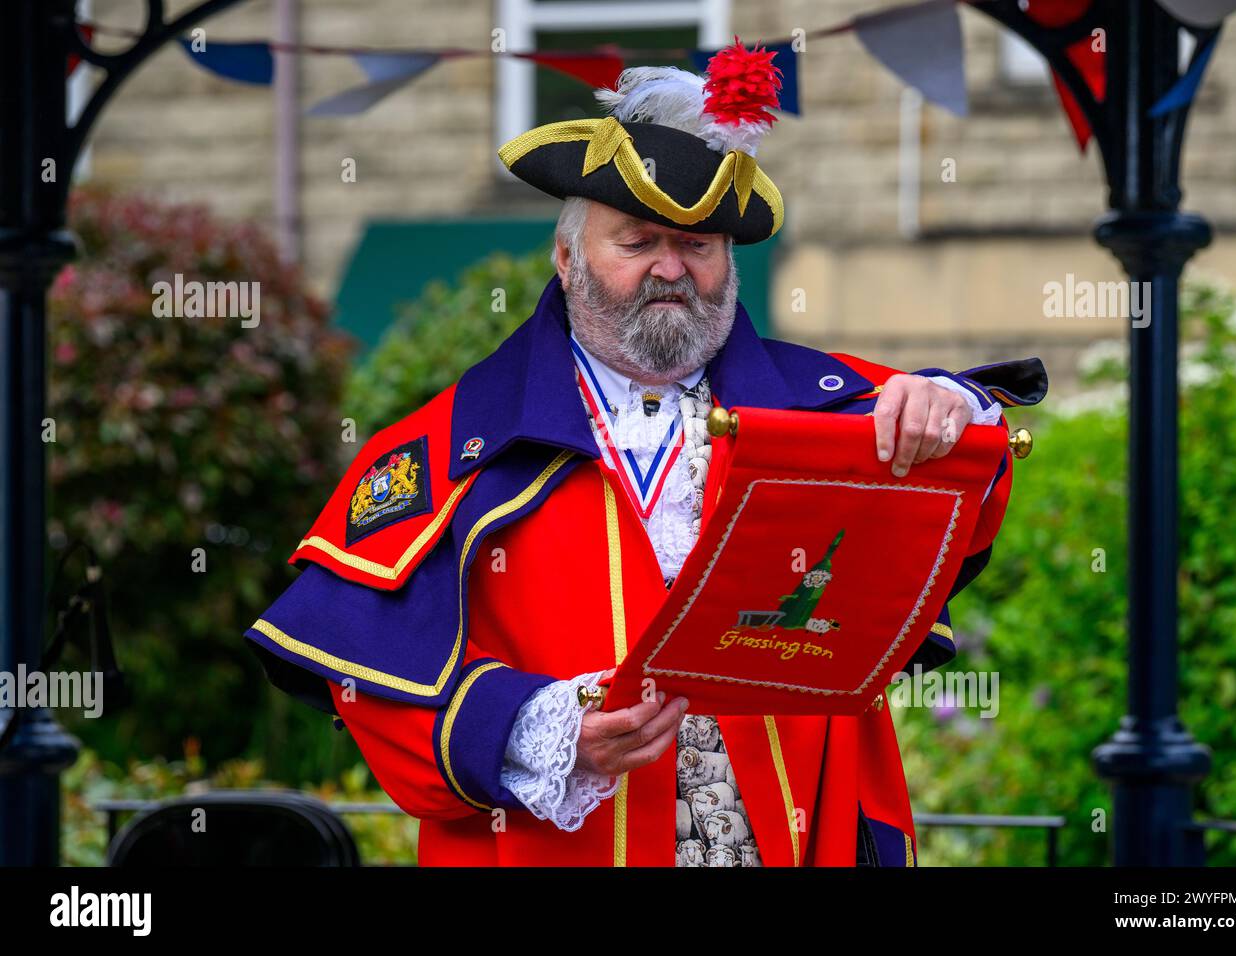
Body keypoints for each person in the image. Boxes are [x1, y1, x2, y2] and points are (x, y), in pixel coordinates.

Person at [244, 41, 1047, 867]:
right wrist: (536, 730)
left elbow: (956, 497)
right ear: (566, 257)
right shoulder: (450, 447)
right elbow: (369, 681)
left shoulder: (833, 411)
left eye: (699, 246)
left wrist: (947, 411)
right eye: (638, 242)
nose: (673, 268)